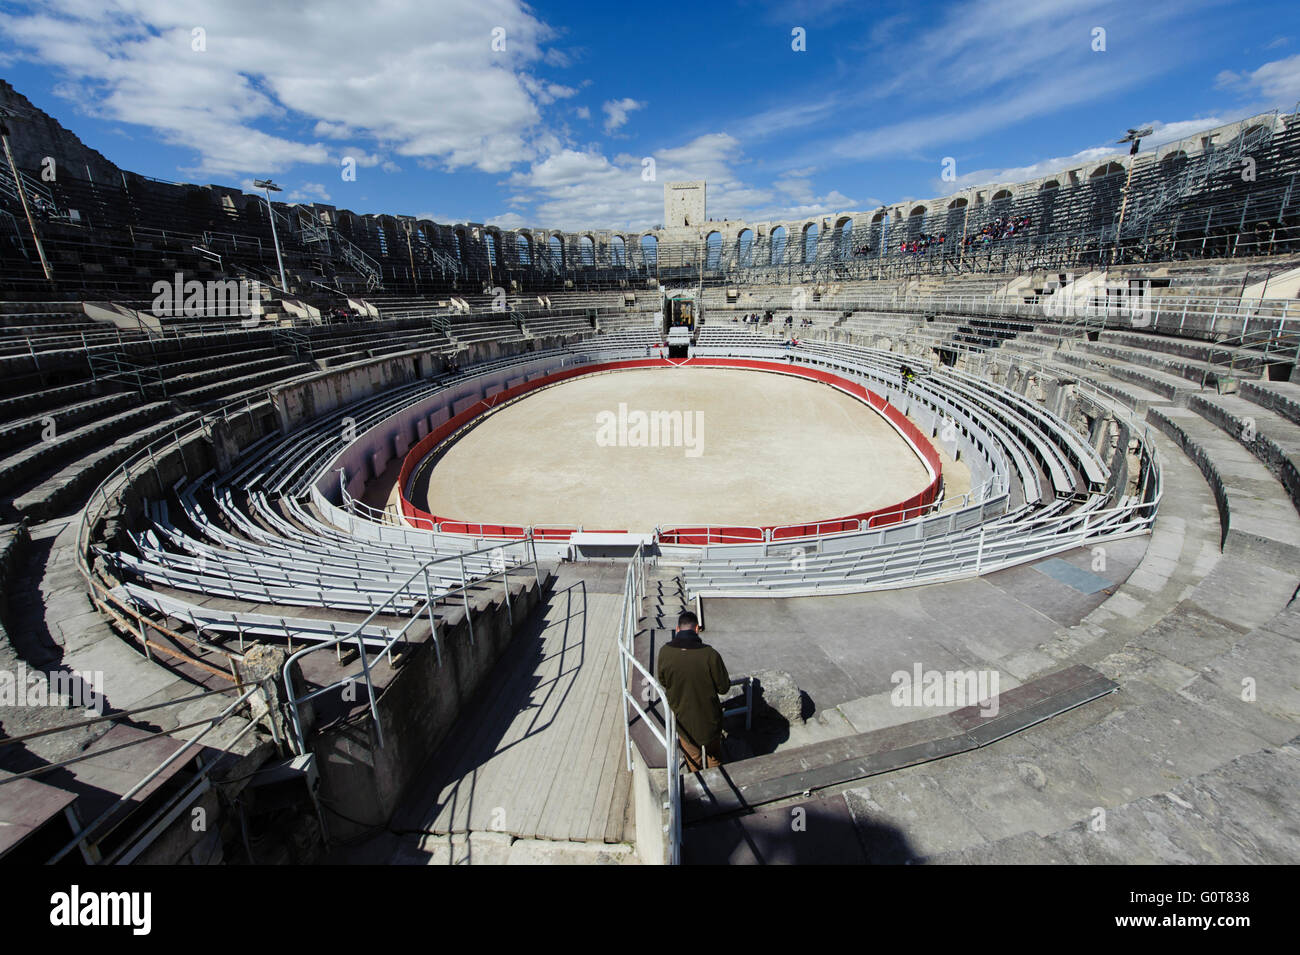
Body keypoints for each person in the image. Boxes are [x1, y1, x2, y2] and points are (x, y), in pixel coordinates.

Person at [656, 610, 730, 771]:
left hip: (684, 722)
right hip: (710, 721)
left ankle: (698, 790)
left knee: (693, 761)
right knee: (714, 760)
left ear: (677, 629)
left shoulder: (665, 652)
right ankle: (717, 787)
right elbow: (724, 688)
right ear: (696, 629)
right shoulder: (710, 654)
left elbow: (663, 682)